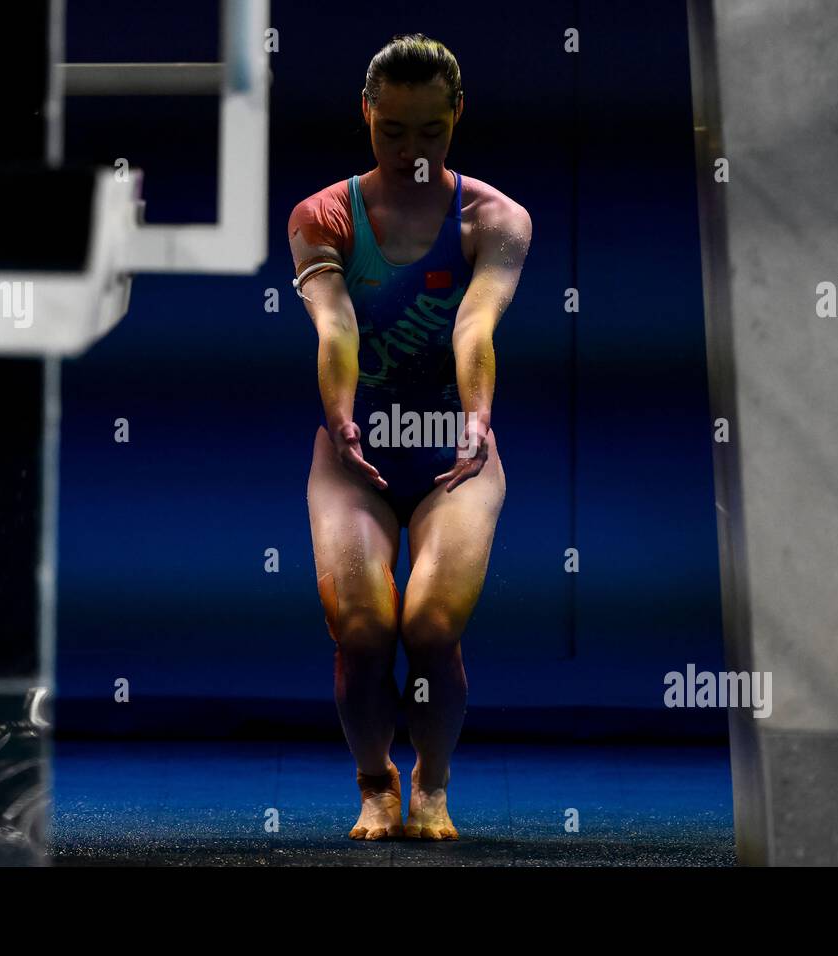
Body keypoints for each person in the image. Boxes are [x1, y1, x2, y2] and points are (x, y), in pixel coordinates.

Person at [287, 33, 531, 840]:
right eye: (393, 131)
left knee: (430, 624)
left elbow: (474, 323)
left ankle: (431, 784)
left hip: (456, 454)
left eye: (431, 132)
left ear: (458, 116)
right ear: (366, 114)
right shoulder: (322, 215)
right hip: (354, 452)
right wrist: (341, 413)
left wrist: (477, 413)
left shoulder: (497, 219)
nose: (413, 151)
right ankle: (375, 783)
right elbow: (337, 324)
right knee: (361, 628)